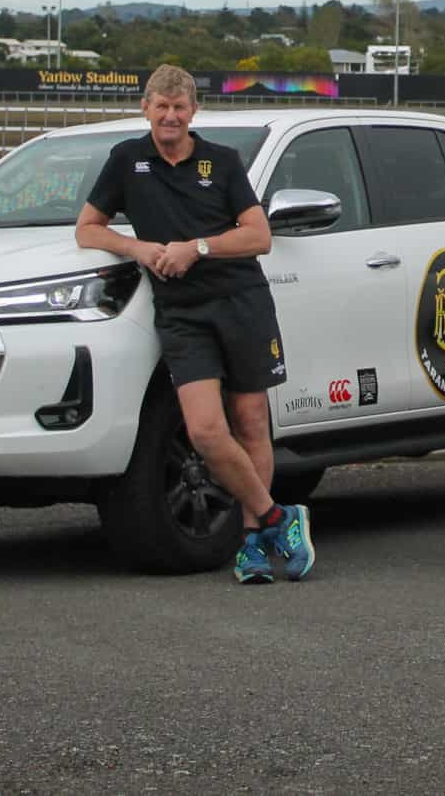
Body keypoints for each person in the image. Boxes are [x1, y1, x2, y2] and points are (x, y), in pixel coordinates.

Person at [74, 64, 313, 585]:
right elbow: (88, 229)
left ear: (193, 112)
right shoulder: (126, 160)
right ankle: (278, 517)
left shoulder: (222, 162)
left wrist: (197, 248)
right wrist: (135, 246)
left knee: (250, 421)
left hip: (240, 300)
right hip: (180, 312)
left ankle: (251, 542)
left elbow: (259, 237)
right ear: (146, 108)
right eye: (161, 106)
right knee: (206, 430)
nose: (170, 116)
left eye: (179, 108)